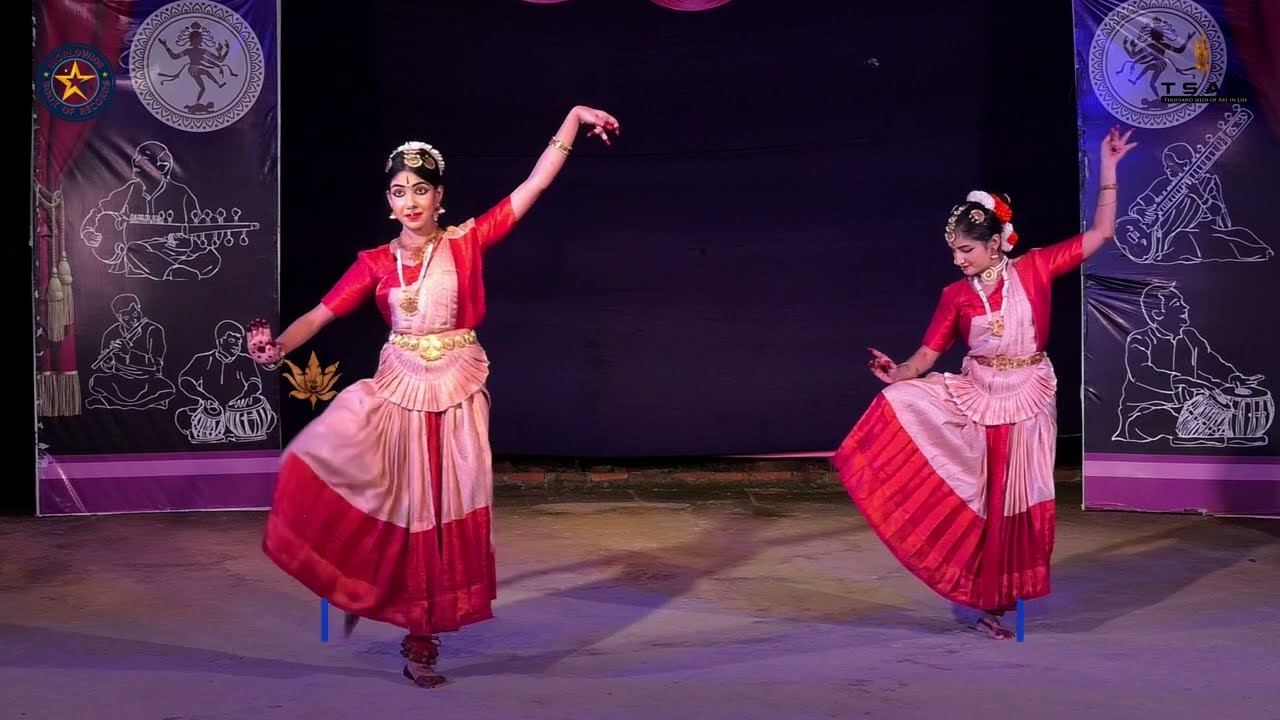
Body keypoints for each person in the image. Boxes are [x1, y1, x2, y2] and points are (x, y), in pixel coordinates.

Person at [246, 105, 621, 687]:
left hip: (458, 389)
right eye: (399, 192)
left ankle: (421, 638)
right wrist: (279, 348)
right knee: (362, 487)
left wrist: (572, 119)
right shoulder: (375, 263)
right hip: (398, 391)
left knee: (442, 516)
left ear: (439, 196)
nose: (410, 202)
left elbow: (536, 182)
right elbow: (320, 315)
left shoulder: (469, 241)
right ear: (389, 201)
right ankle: (358, 586)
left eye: (421, 190)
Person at [831, 126, 1138, 639]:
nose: (958, 259)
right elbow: (927, 357)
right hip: (979, 396)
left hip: (1030, 394)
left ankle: (1002, 596)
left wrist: (1108, 169)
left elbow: (1100, 235)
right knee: (987, 500)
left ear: (995, 243)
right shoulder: (956, 295)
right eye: (954, 250)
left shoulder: (1037, 268)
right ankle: (984, 605)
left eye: (967, 249)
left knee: (1020, 500)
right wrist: (897, 373)